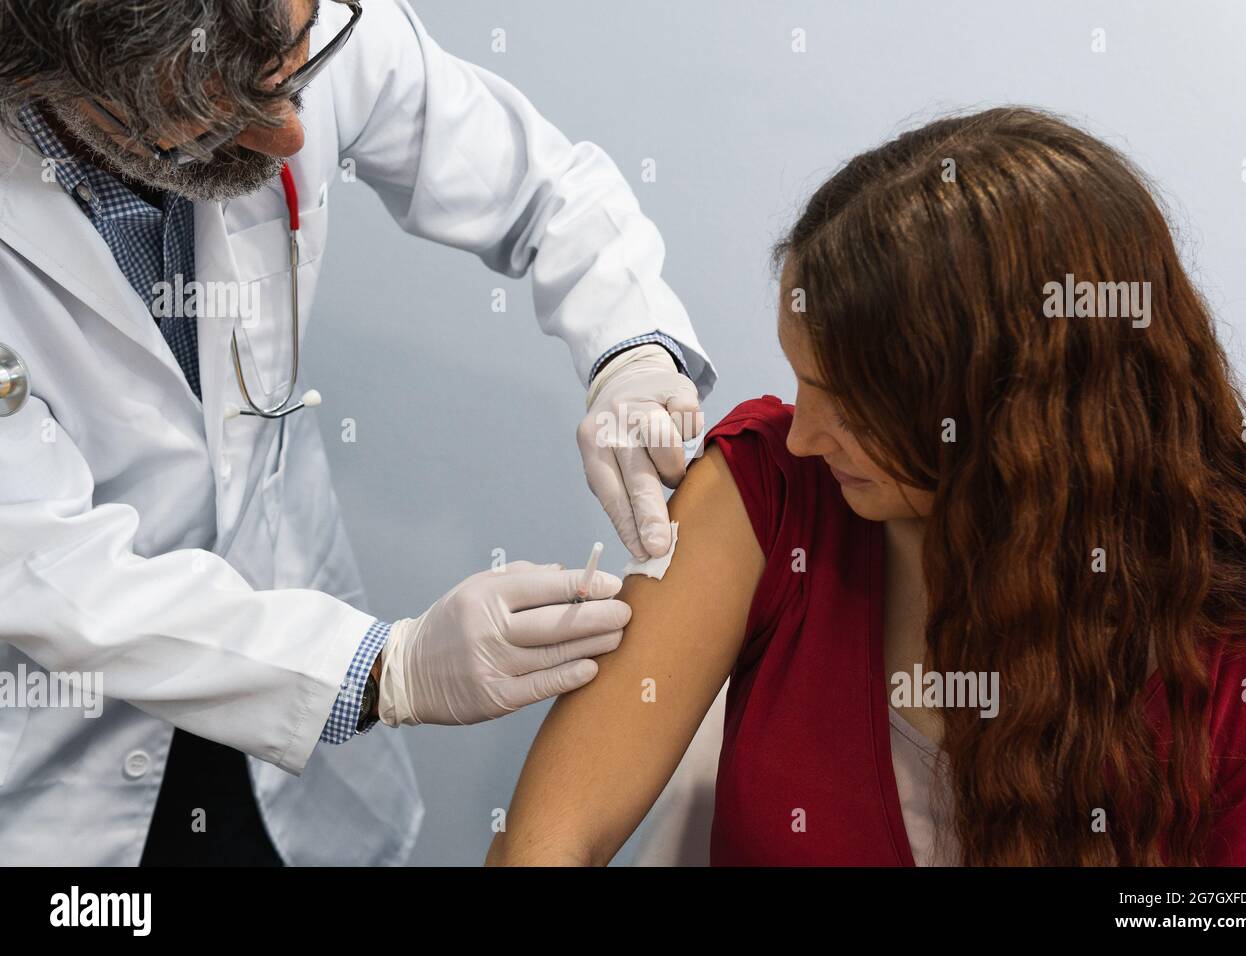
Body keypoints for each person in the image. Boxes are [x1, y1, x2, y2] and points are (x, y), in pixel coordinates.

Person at [488, 107, 1246, 867]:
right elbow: (545, 849)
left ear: (1011, 414)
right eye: (805, 380)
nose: (805, 432)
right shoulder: (774, 491)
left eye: (852, 403)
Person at [0, 0, 713, 865]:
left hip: (277, 693)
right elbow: (57, 578)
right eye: (226, 103)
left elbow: (543, 185)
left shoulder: (283, 20)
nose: (295, 132)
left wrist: (633, 354)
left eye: (300, 71)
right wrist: (388, 668)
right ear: (49, 78)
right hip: (53, 748)